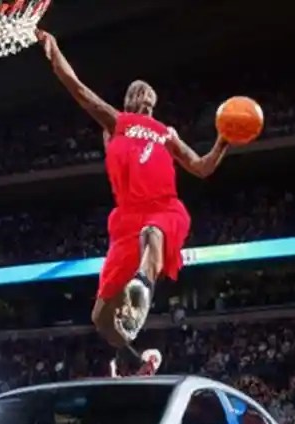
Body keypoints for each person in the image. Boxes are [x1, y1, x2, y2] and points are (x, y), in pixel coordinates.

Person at [37, 29, 230, 376]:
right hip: (126, 218)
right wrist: (54, 53)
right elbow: (77, 88)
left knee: (153, 232)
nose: (142, 90)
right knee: (101, 318)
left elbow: (201, 168)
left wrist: (224, 140)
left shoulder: (166, 132)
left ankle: (143, 285)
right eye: (136, 89)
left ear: (154, 103)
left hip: (162, 208)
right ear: (128, 100)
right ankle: (138, 360)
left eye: (147, 92)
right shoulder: (116, 122)